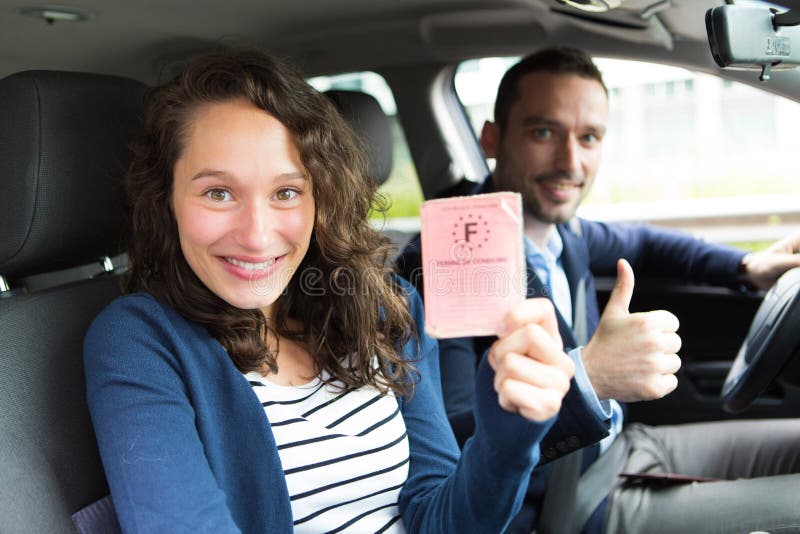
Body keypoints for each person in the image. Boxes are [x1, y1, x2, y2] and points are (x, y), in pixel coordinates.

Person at [82, 49, 578, 533]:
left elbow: (441, 518)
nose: (257, 234)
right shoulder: (139, 342)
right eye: (218, 192)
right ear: (165, 199)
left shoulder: (388, 308)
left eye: (286, 192)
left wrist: (505, 442)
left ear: (322, 197)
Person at [396, 47, 800, 533]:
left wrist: (747, 265)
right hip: (563, 506)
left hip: (622, 449)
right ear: (492, 138)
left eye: (588, 138)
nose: (570, 161)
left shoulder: (567, 232)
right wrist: (587, 377)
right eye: (543, 132)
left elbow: (647, 244)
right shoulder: (460, 250)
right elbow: (454, 438)